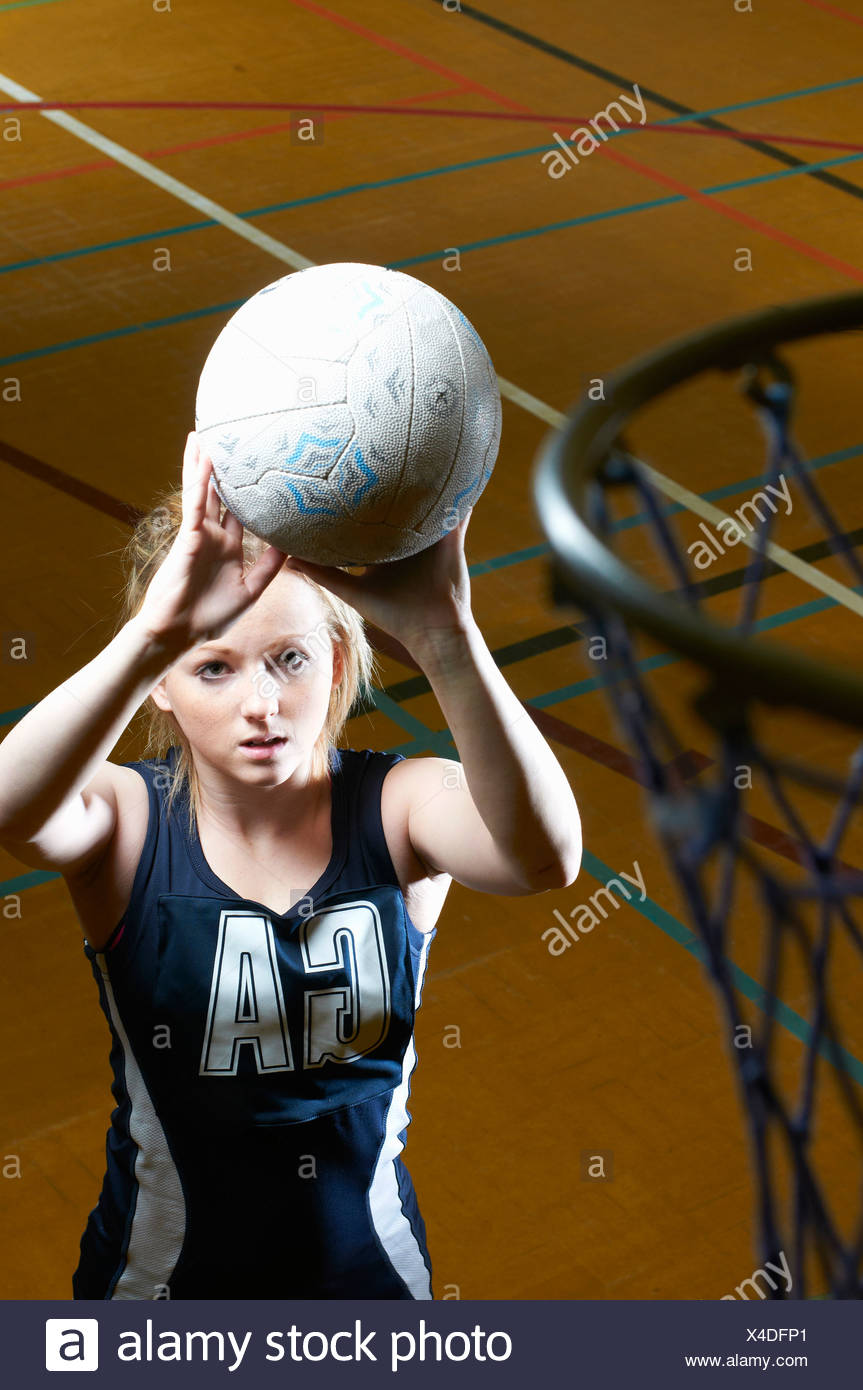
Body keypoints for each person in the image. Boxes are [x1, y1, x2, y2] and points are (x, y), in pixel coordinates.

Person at [0, 433, 582, 1300]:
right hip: (160, 1290)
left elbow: (544, 859)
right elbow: (11, 808)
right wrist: (153, 632)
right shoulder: (128, 822)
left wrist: (448, 638)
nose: (262, 704)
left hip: (371, 1280)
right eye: (212, 667)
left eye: (290, 658)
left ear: (336, 661)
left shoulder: (400, 806)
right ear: (161, 682)